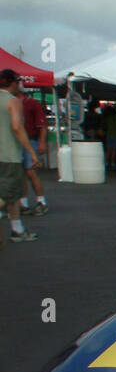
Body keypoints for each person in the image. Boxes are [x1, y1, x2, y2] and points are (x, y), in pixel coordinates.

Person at [1, 69, 41, 243]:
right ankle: (17, 229)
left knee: (13, 196)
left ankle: (17, 229)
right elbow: (17, 127)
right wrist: (32, 152)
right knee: (10, 194)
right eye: (18, 82)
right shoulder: (13, 102)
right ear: (13, 83)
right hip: (9, 156)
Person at [19, 87, 48, 215]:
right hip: (16, 142)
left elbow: (42, 125)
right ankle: (23, 204)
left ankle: (41, 202)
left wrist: (41, 143)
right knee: (21, 174)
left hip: (30, 140)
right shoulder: (10, 102)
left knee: (31, 172)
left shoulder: (33, 104)